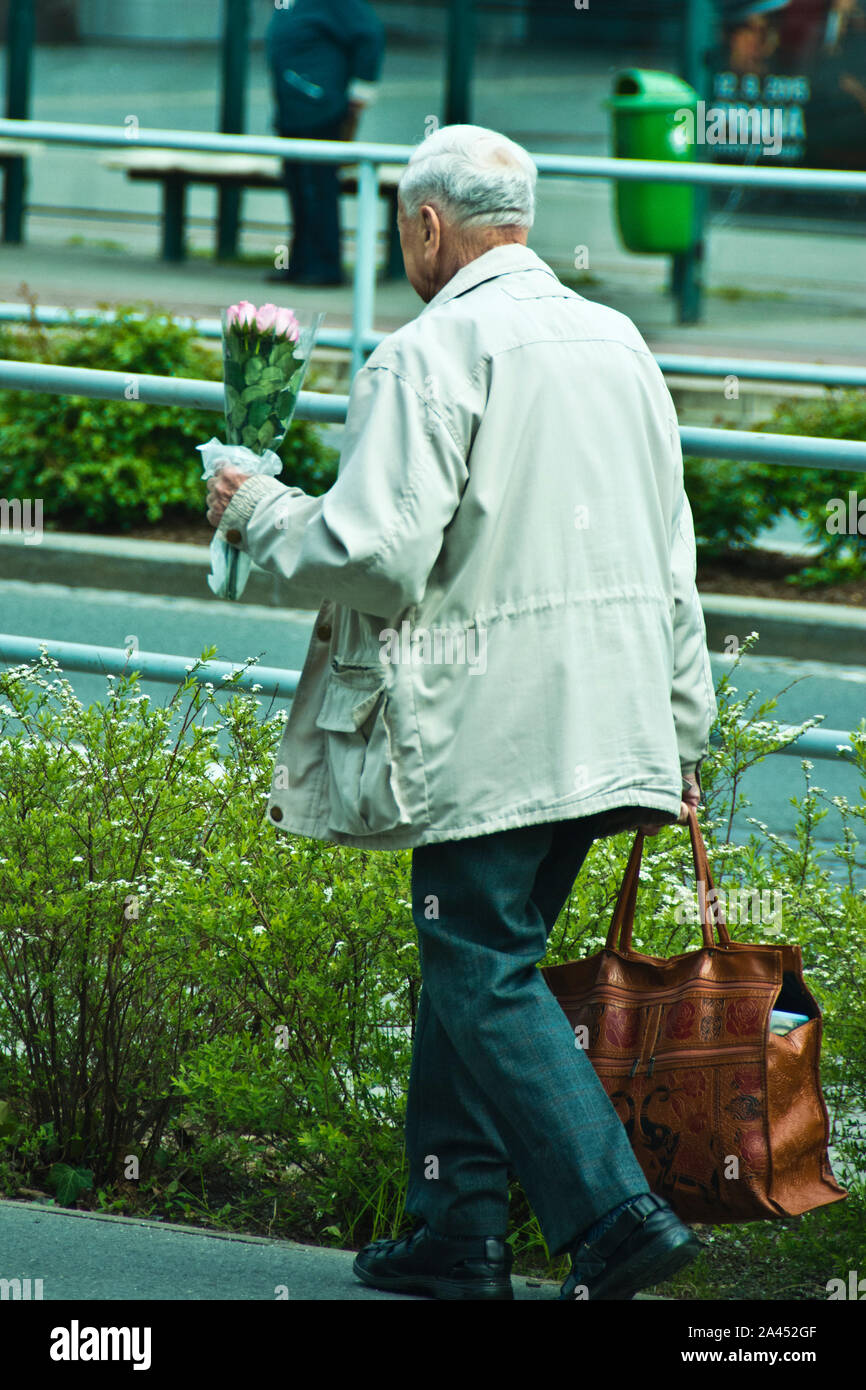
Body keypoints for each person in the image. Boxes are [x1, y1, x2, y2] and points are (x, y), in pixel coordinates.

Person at [205, 124, 717, 1301]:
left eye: (402, 229)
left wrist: (258, 507)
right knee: (477, 958)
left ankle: (612, 1213)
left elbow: (376, 555)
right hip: (615, 720)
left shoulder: (429, 350)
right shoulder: (619, 343)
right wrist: (681, 730)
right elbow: (671, 558)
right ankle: (453, 1230)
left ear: (426, 228)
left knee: (478, 965)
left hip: (488, 728)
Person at [265, 0, 385, 287]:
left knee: (318, 189)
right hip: (293, 109)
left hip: (319, 108)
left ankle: (324, 267)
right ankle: (302, 263)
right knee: (299, 188)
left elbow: (370, 34)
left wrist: (360, 93)